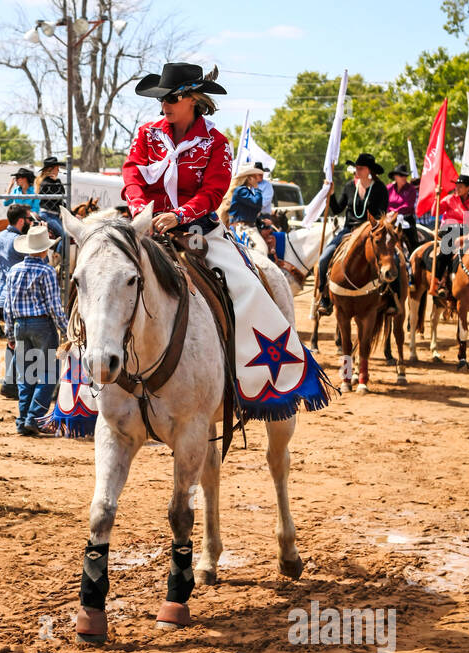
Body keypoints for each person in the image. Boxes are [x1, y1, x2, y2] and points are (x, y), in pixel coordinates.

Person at [121, 61, 330, 420]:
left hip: (199, 232)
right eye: (162, 99)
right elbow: (131, 174)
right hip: (145, 226)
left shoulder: (217, 143)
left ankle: (259, 376)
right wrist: (141, 209)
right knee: (102, 276)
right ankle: (88, 383)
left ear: (192, 99)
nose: (163, 106)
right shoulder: (146, 134)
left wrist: (180, 215)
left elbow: (215, 191)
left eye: (170, 98)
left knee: (247, 285)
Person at [3, 223, 68, 436]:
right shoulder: (47, 271)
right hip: (42, 325)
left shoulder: (14, 271)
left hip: (20, 325)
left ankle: (23, 421)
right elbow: (53, 306)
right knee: (48, 374)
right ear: (43, 250)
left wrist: (10, 332)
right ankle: (35, 418)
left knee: (26, 375)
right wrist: (66, 330)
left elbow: (8, 305)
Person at [316, 153, 390, 314]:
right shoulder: (350, 187)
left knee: (394, 260)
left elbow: (382, 215)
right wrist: (331, 193)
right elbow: (337, 209)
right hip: (348, 230)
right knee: (323, 259)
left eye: (361, 168)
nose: (357, 170)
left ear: (369, 170)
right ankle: (324, 297)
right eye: (356, 167)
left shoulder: (380, 189)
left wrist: (367, 229)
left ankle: (391, 298)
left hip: (371, 233)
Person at [0, 203, 28, 398]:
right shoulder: (19, 240)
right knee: (20, 339)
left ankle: (11, 380)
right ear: (21, 220)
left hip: (2, 292)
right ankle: (11, 382)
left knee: (11, 340)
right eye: (28, 220)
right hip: (17, 295)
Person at [431, 174, 469, 293]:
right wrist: (437, 197)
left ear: (468, 188)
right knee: (445, 251)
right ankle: (439, 280)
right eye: (456, 186)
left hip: (465, 232)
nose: (456, 188)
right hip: (448, 229)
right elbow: (434, 212)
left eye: (460, 186)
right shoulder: (449, 199)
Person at [35, 156, 67, 251]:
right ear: (51, 169)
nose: (58, 170)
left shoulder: (54, 182)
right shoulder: (45, 182)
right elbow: (59, 196)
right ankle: (58, 258)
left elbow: (61, 196)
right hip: (48, 215)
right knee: (65, 235)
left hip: (54, 215)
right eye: (57, 168)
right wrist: (56, 182)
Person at [387, 163, 419, 256]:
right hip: (389, 219)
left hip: (407, 219)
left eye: (405, 175)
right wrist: (389, 213)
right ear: (395, 177)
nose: (404, 177)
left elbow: (408, 205)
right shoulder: (388, 188)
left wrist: (394, 211)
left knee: (413, 241)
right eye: (401, 175)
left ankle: (415, 258)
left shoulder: (411, 189)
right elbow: (385, 202)